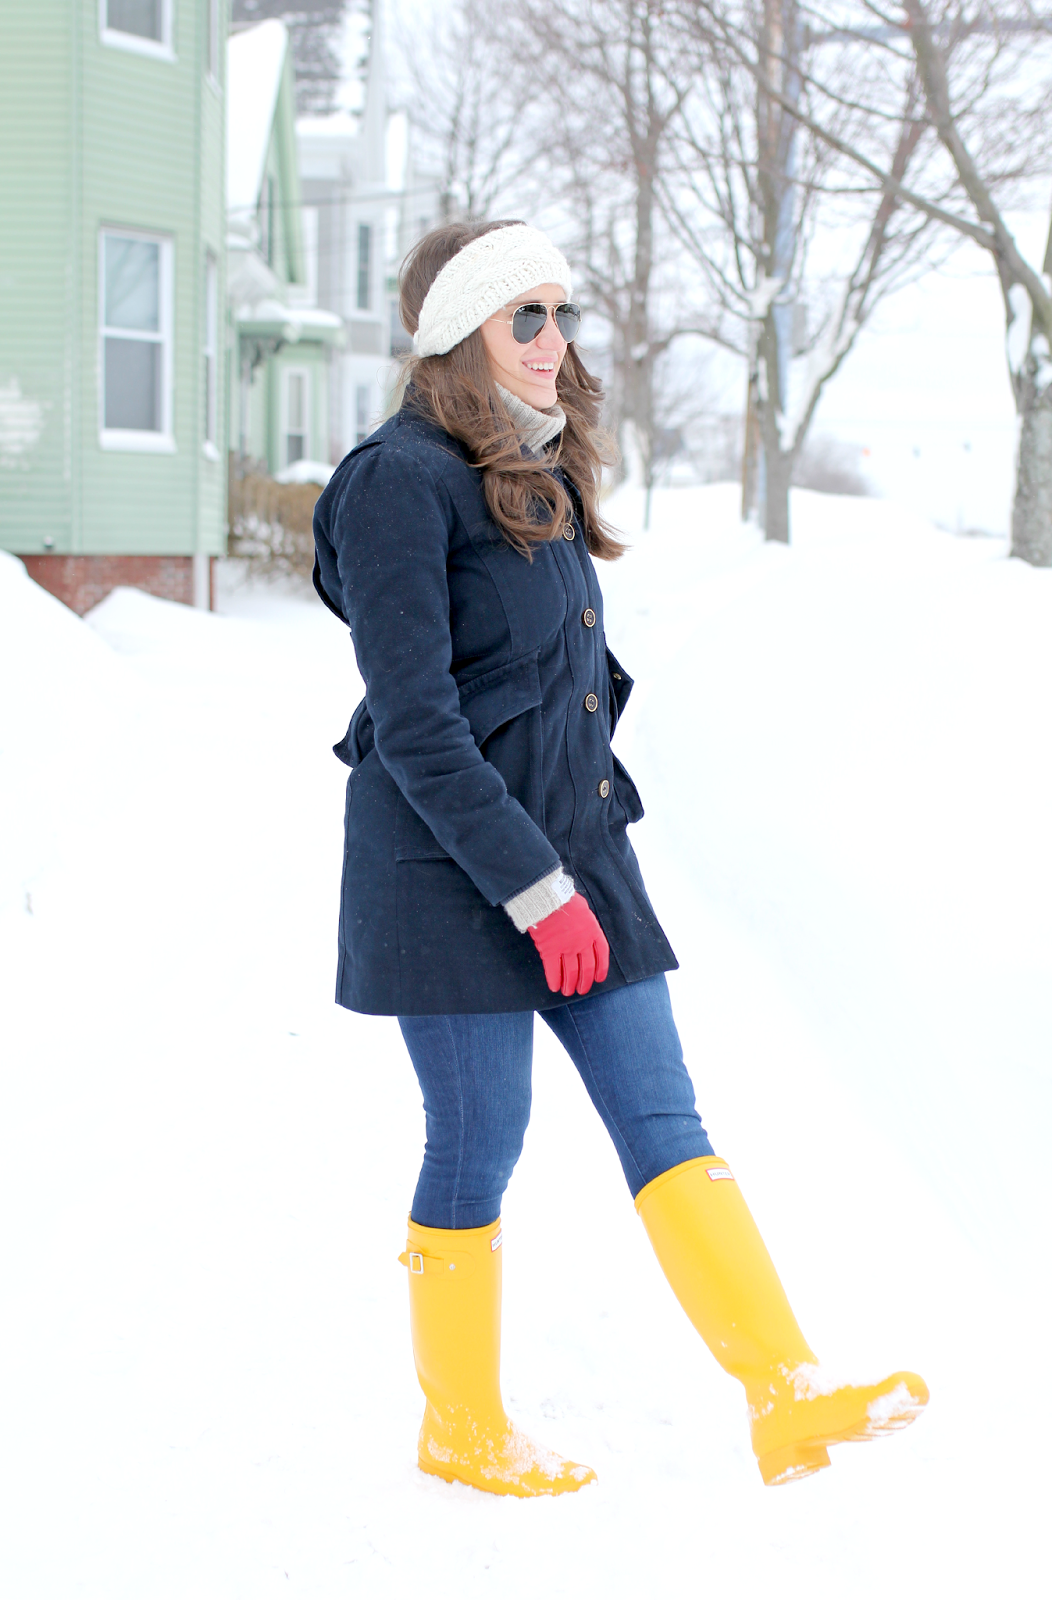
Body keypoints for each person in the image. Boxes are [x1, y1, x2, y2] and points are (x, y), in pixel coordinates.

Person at [312, 220, 928, 1497]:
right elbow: (418, 726)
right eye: (522, 316)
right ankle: (461, 1430)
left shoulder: (535, 470)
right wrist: (532, 891)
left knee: (665, 1116)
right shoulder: (396, 483)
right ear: (455, 336)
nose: (554, 339)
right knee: (480, 1140)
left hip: (575, 848)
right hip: (447, 868)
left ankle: (786, 1394)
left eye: (562, 312)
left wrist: (573, 868)